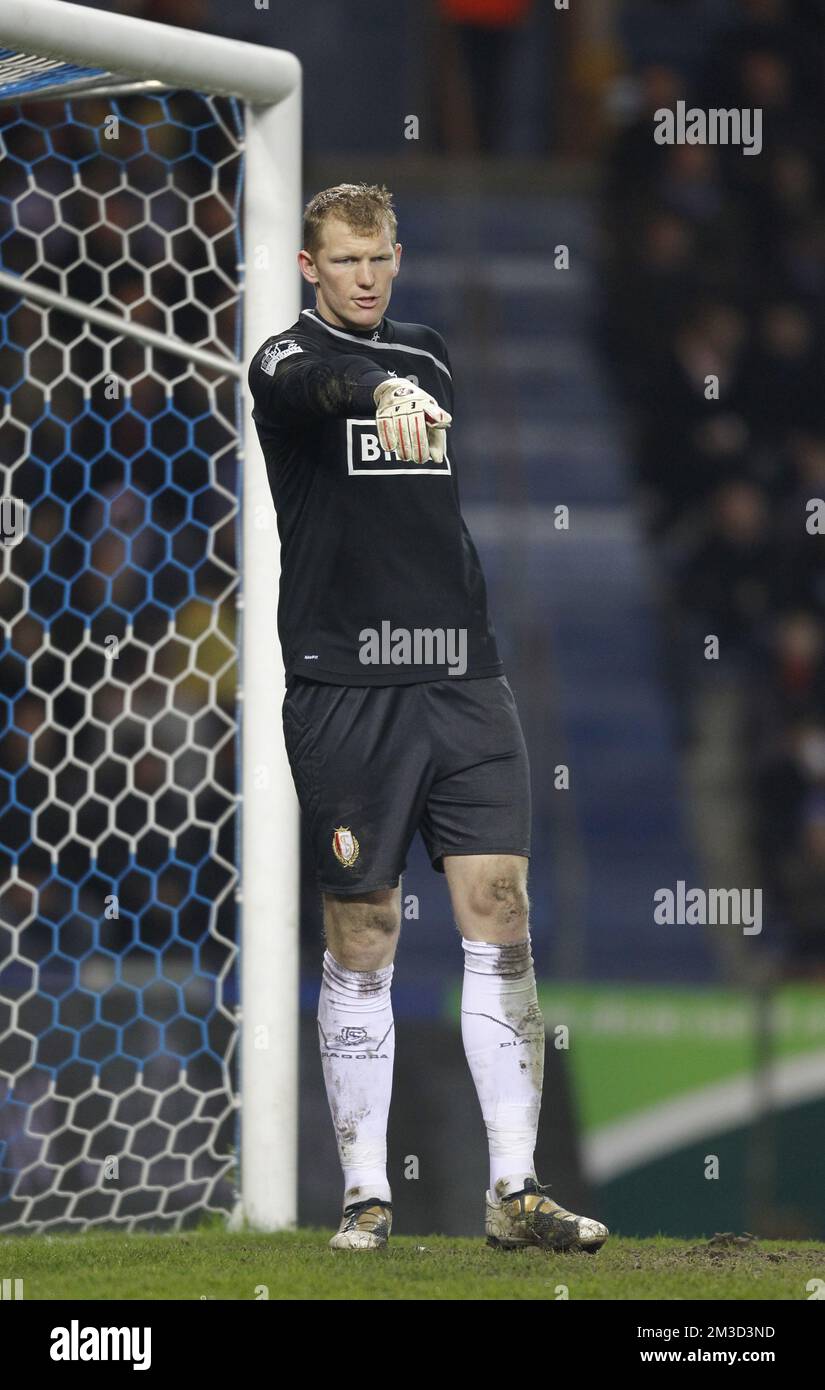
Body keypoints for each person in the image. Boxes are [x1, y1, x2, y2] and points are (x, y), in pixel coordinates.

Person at [247, 182, 608, 1254]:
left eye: (380, 257)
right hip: (344, 687)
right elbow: (320, 380)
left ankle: (514, 1189)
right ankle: (366, 1190)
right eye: (345, 260)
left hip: (462, 677)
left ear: (399, 259)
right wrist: (373, 388)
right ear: (311, 267)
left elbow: (401, 384)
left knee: (498, 904)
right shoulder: (280, 364)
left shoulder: (434, 355)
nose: (365, 275)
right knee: (367, 927)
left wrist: (399, 380)